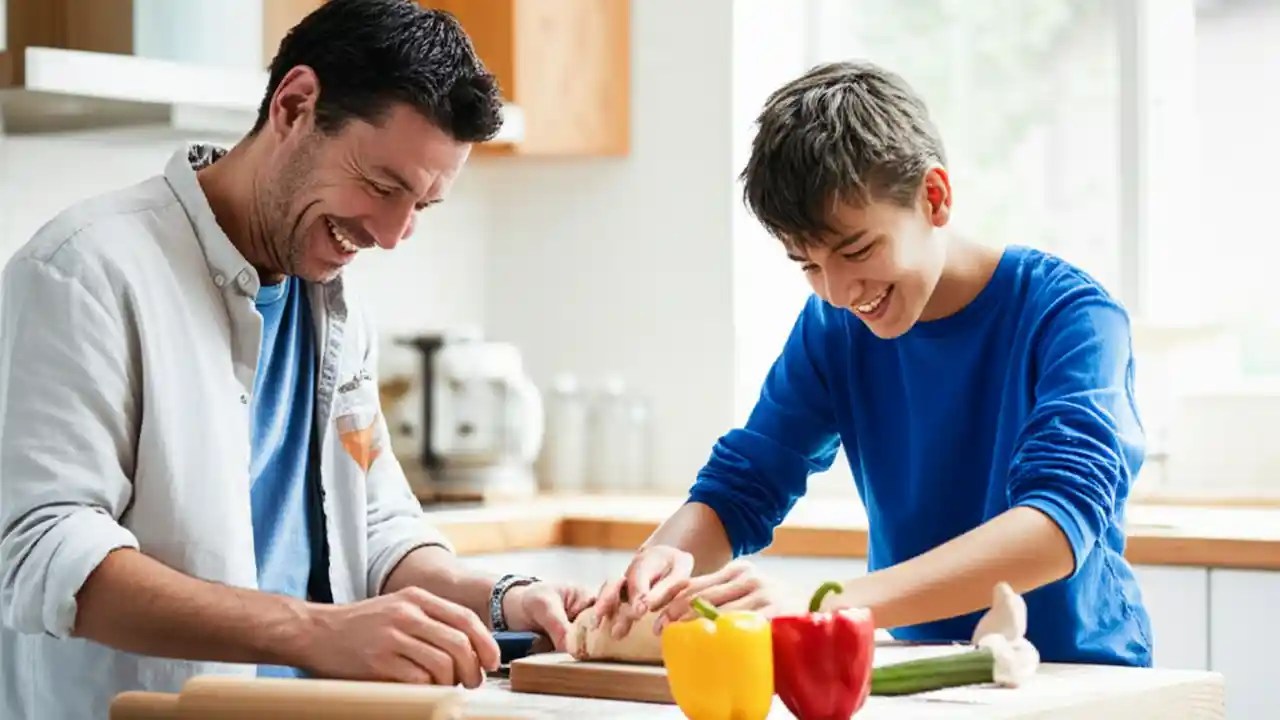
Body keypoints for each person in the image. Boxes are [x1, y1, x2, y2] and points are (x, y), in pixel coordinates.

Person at [0, 2, 593, 718]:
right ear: (294, 106)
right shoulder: (86, 272)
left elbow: (375, 531)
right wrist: (316, 632)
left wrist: (506, 597)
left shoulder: (333, 303)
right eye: (381, 187)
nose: (393, 235)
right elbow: (43, 552)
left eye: (422, 207)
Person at [594, 60, 1153, 668]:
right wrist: (659, 563)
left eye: (856, 249)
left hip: (1080, 679)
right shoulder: (835, 327)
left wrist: (823, 604)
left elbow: (1055, 528)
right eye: (806, 264)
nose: (835, 290)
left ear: (934, 198)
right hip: (926, 677)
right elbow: (746, 483)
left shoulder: (1072, 317)